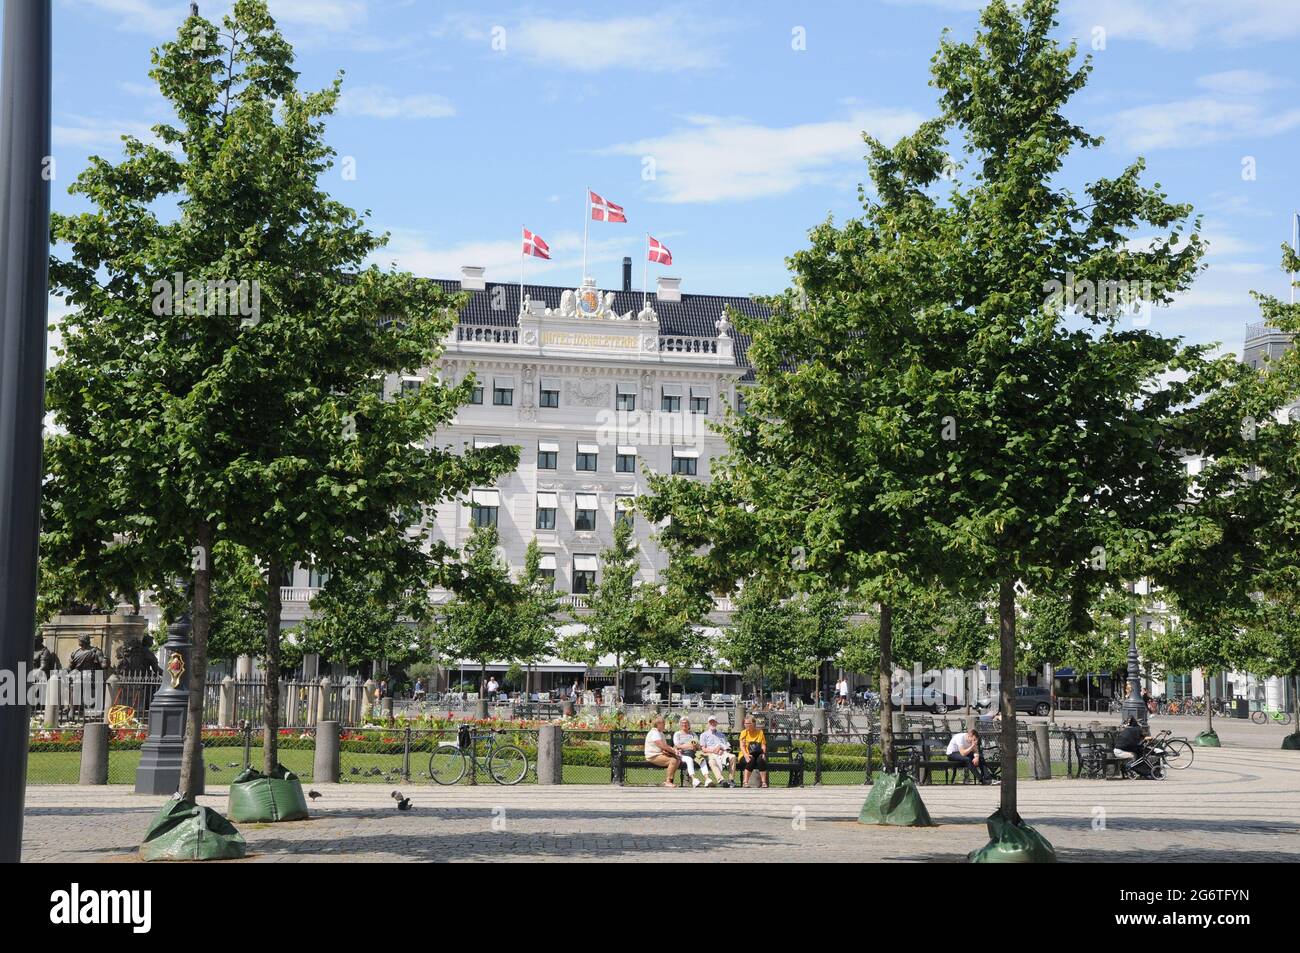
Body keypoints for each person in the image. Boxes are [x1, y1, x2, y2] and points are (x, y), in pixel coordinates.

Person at [644, 716, 680, 787]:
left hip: (659, 754)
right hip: (652, 756)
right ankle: (667, 781)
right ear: (658, 724)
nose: (664, 725)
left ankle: (670, 780)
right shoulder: (655, 733)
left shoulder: (660, 733)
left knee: (677, 760)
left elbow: (665, 746)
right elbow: (662, 746)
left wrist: (674, 750)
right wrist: (674, 752)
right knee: (673, 760)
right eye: (663, 724)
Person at [699, 715, 735, 787]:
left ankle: (731, 780)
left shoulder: (721, 735)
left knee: (733, 756)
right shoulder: (704, 735)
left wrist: (722, 749)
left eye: (714, 722)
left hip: (723, 753)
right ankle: (721, 780)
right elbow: (703, 748)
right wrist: (714, 750)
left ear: (716, 723)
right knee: (711, 761)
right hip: (711, 753)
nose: (712, 723)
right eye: (711, 722)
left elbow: (728, 746)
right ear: (708, 723)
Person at [737, 715, 768, 788]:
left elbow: (763, 745)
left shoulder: (760, 732)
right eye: (745, 723)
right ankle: (745, 782)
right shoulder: (744, 733)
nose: (746, 725)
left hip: (758, 754)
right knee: (751, 760)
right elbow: (742, 746)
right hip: (745, 754)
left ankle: (763, 782)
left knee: (761, 759)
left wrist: (763, 753)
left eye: (748, 723)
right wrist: (746, 755)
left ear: (753, 724)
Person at [673, 718, 703, 787]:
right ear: (680, 725)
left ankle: (707, 779)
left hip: (693, 754)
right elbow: (677, 745)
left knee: (702, 759)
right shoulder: (677, 734)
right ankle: (694, 779)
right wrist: (689, 746)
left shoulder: (693, 734)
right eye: (682, 723)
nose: (684, 724)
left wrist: (692, 746)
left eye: (686, 723)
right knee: (689, 759)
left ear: (689, 725)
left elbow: (697, 744)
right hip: (682, 755)